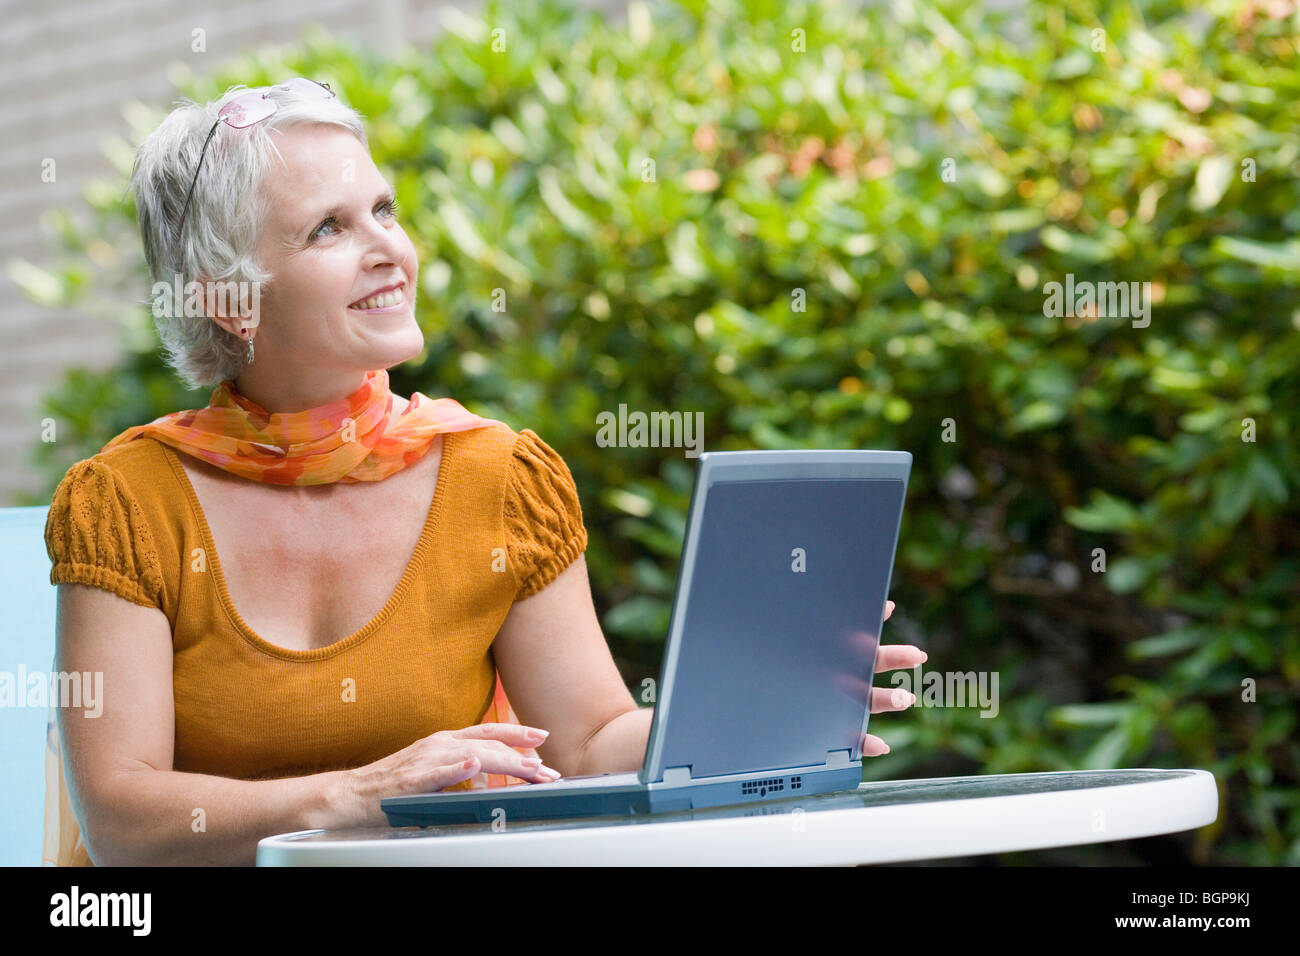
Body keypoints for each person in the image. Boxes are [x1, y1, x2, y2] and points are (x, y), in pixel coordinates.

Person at [42, 79, 921, 866]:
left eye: (383, 210)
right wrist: (359, 795)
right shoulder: (128, 503)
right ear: (227, 298)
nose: (388, 248)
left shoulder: (500, 478)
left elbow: (587, 741)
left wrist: (764, 691)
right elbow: (123, 820)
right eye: (328, 228)